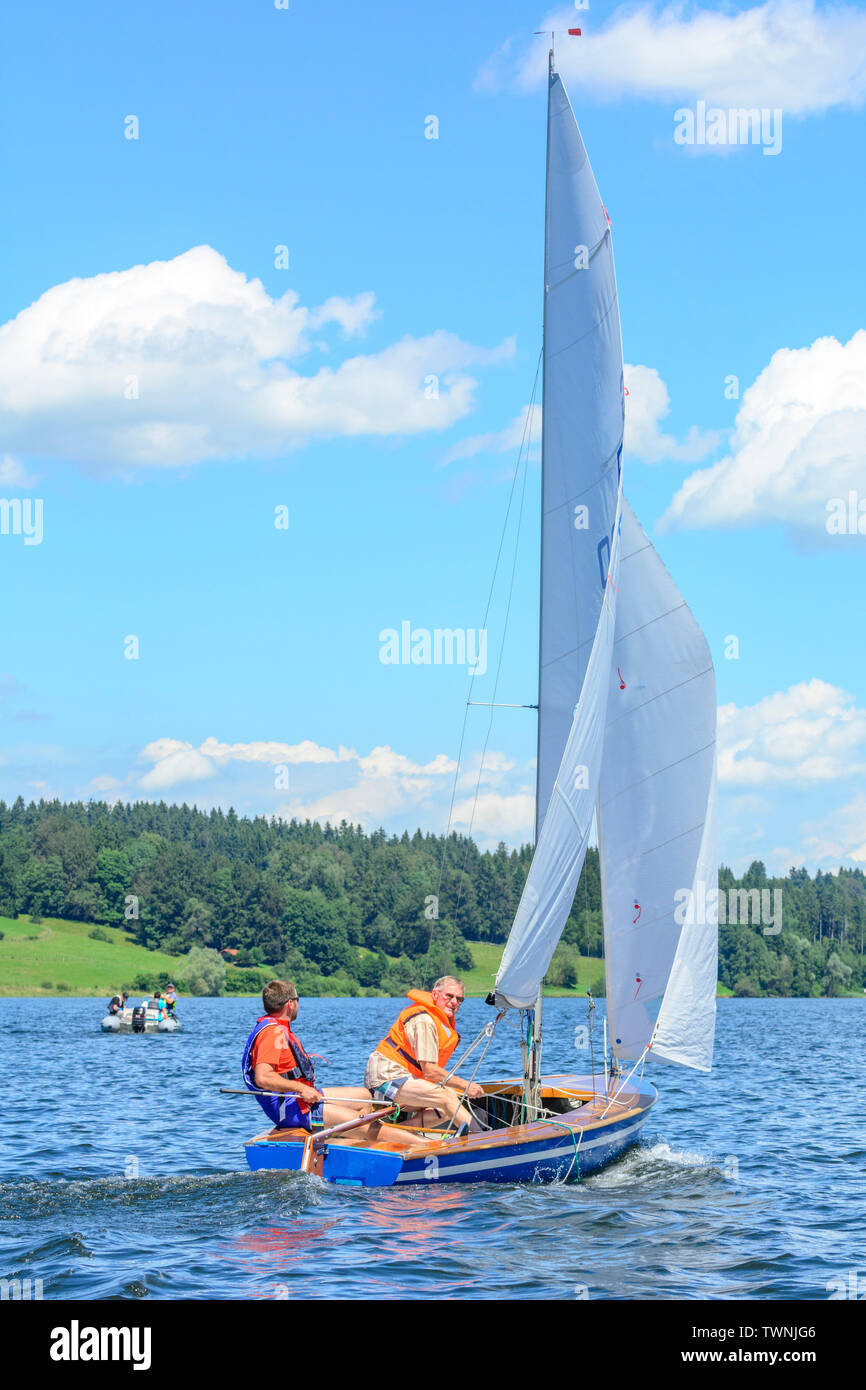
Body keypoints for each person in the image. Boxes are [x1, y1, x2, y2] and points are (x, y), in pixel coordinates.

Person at [242, 980, 385, 1135]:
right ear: (290, 1004)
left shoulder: (279, 1027)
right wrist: (302, 1088)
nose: (298, 1005)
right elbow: (262, 1078)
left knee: (364, 1096)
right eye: (298, 1000)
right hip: (290, 1108)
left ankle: (345, 1143)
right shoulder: (272, 1033)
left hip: (298, 1098)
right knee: (367, 1124)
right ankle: (360, 1136)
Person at [365, 976, 486, 1133]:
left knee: (448, 1104)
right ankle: (482, 1140)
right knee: (446, 1098)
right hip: (386, 1078)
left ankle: (397, 1132)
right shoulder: (424, 1021)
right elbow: (430, 1071)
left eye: (459, 999)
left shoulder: (438, 1020)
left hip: (405, 1079)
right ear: (435, 994)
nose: (454, 1002)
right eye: (449, 996)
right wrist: (466, 1086)